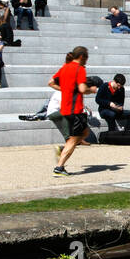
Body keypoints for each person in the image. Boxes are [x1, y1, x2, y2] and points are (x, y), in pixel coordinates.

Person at [49, 46, 91, 176]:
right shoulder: (80, 69)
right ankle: (59, 167)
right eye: (86, 58)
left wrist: (65, 89)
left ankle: (64, 149)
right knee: (74, 139)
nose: (87, 61)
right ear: (82, 57)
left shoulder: (65, 67)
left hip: (66, 109)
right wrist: (92, 89)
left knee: (85, 133)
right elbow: (83, 89)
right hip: (76, 110)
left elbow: (51, 82)